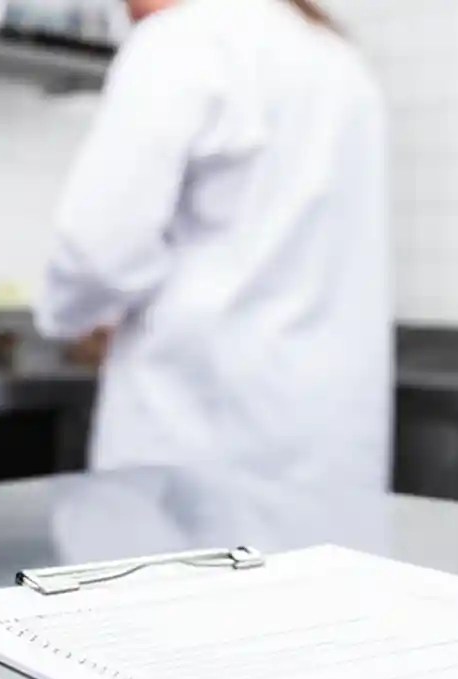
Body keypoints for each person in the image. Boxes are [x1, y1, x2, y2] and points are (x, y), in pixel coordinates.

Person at [35, 0, 391, 562]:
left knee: (161, 637)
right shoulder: (338, 62)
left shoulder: (183, 42)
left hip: (195, 441)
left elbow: (96, 248)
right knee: (310, 630)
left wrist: (74, 320)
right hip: (325, 451)